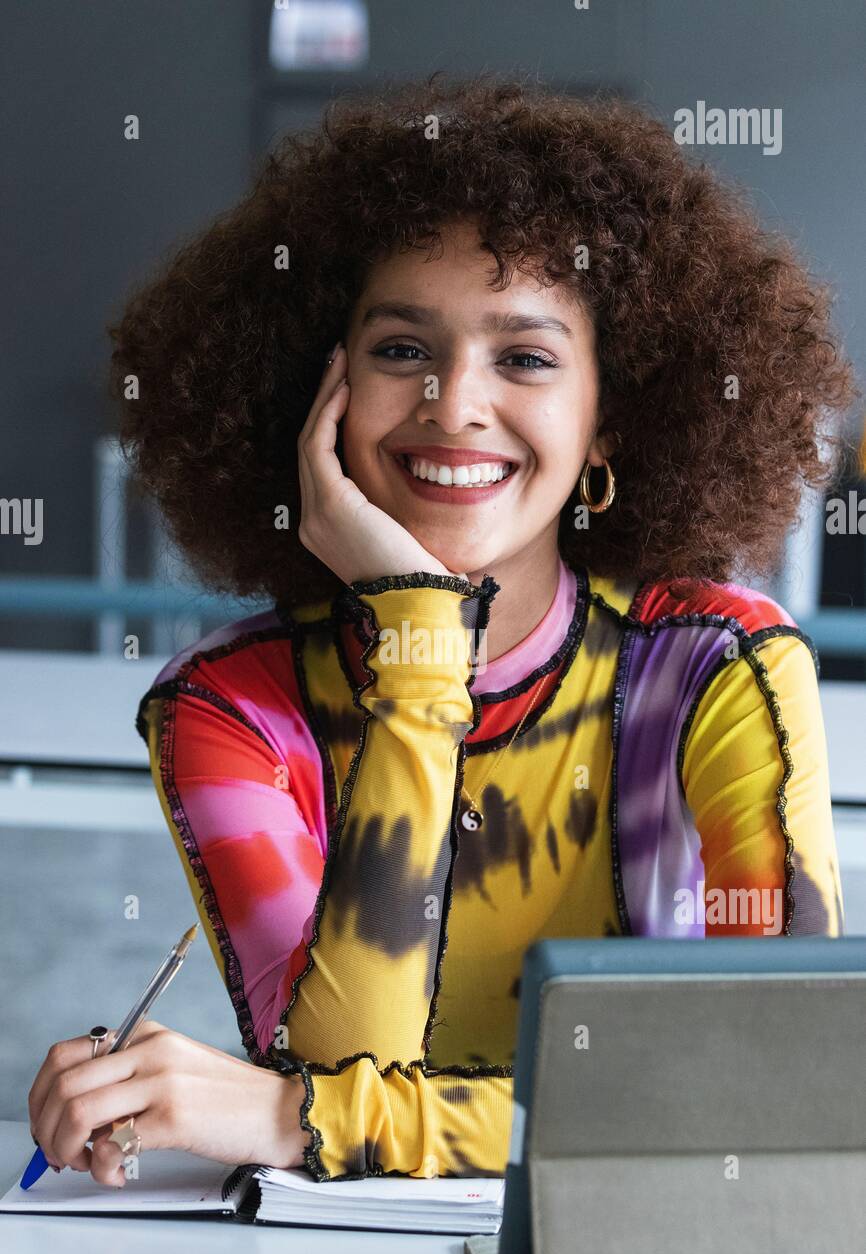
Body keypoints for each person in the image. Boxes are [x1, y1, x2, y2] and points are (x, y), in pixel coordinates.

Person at [30, 76, 854, 1186]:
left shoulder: (718, 671)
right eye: (401, 350)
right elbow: (342, 1074)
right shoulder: (231, 714)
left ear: (606, 422)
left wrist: (292, 1117)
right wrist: (420, 636)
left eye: (523, 357)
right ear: (317, 392)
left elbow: (772, 1082)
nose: (453, 403)